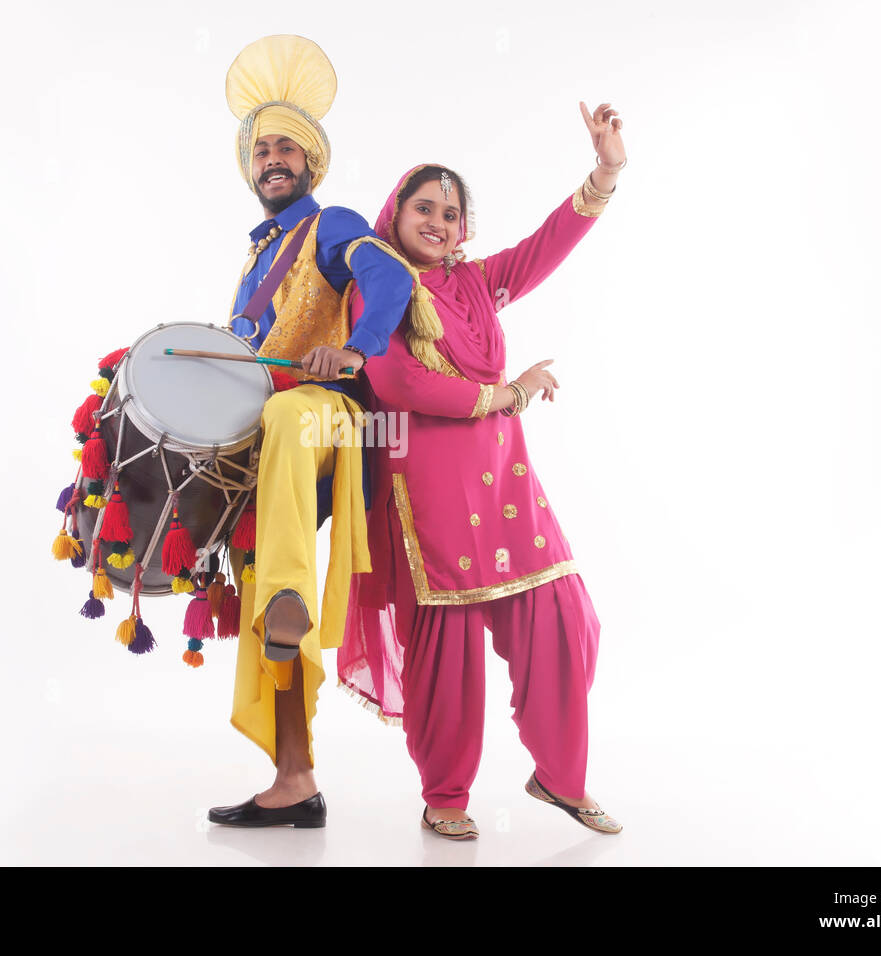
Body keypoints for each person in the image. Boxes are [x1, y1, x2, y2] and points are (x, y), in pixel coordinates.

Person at [338, 102, 628, 839]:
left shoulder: (476, 284)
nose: (438, 221)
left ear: (465, 227)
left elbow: (546, 245)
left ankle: (559, 777)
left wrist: (605, 171)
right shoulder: (379, 282)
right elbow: (396, 384)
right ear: (395, 214)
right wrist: (506, 394)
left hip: (505, 479)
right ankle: (447, 793)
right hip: (427, 482)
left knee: (566, 617)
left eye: (452, 212)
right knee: (449, 646)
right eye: (424, 207)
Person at [206, 35, 416, 828]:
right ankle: (294, 776)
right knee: (259, 572)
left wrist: (354, 348)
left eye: (287, 145)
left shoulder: (332, 222)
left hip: (332, 420)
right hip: (274, 445)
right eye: (261, 148)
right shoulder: (250, 267)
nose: (272, 158)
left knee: (294, 411)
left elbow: (387, 275)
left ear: (311, 162)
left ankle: (291, 592)